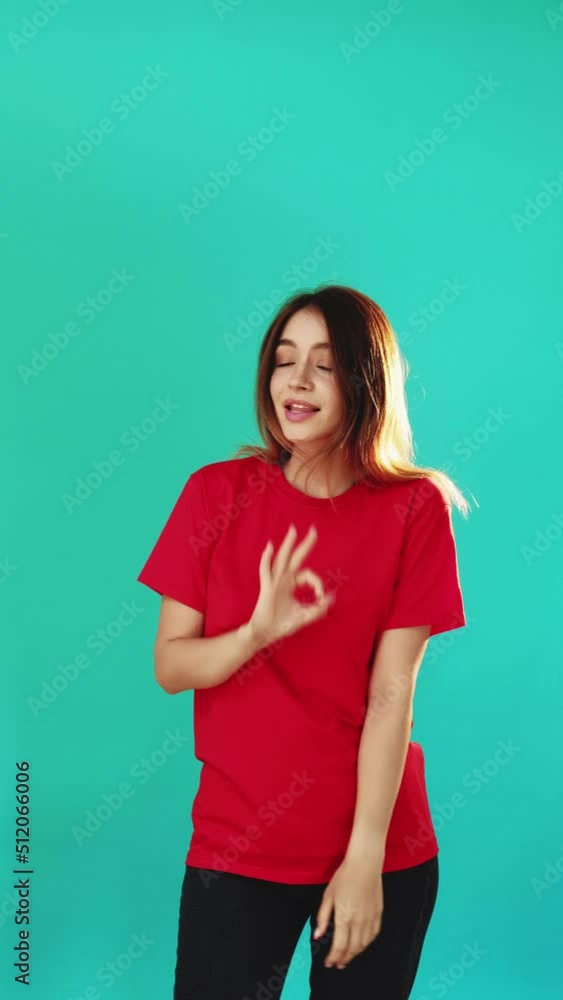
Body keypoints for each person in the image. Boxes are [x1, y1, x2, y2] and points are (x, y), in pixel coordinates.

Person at [137, 283, 470, 999]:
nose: (296, 379)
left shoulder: (414, 509)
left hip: (377, 846)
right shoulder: (215, 494)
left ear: (363, 379)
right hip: (239, 844)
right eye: (283, 359)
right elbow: (171, 665)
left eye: (323, 363)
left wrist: (362, 862)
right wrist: (255, 632)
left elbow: (390, 700)